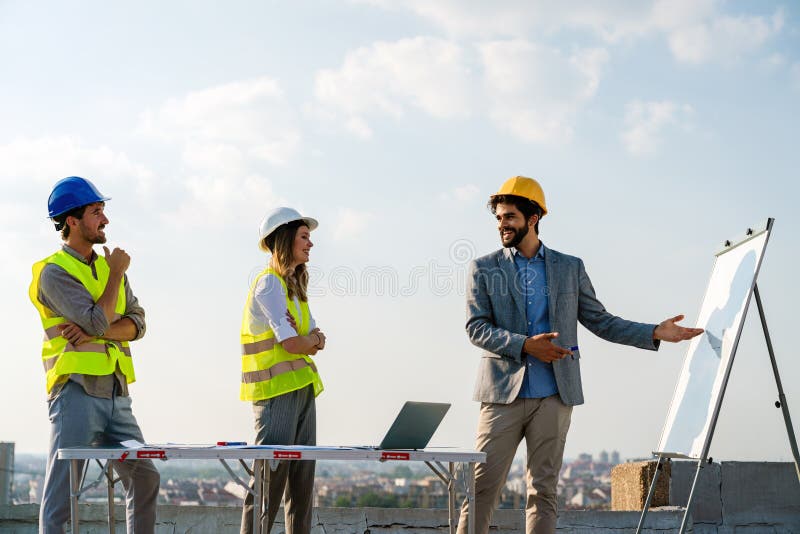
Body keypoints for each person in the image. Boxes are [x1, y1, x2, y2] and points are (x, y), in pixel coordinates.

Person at [456, 176, 703, 534]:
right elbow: (476, 328)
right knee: (481, 490)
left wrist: (652, 331)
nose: (502, 225)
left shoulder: (569, 268)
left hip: (555, 395)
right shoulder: (484, 267)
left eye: (509, 217)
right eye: (498, 218)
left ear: (534, 217)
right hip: (501, 397)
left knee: (543, 492)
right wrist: (525, 344)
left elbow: (600, 321)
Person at [29, 176, 160, 534]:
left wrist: (97, 328)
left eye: (103, 211)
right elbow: (98, 319)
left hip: (117, 395)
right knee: (62, 495)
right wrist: (116, 276)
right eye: (96, 212)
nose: (105, 220)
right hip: (76, 392)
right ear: (72, 220)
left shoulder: (105, 266)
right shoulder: (54, 273)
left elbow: (139, 323)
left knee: (146, 477)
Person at [240, 207, 327, 534]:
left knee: (302, 485)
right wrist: (309, 340)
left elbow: (313, 338)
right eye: (305, 237)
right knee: (268, 483)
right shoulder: (269, 285)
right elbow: (293, 344)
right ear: (286, 239)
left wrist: (310, 339)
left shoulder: (294, 288)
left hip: (302, 390)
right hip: (275, 396)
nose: (310, 245)